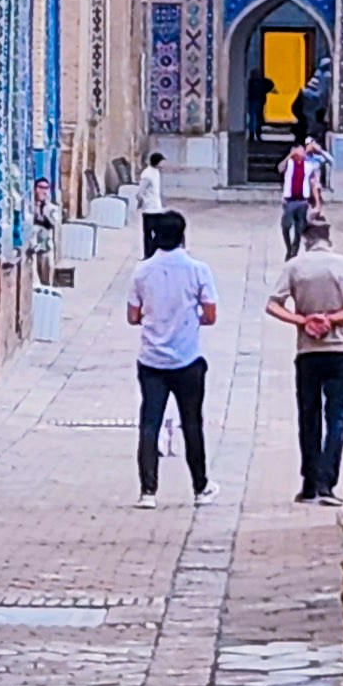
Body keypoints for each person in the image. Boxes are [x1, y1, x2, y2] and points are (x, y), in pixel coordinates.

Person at [266, 206, 343, 505]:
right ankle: (327, 482)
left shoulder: (295, 267)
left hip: (308, 351)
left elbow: (273, 304)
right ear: (329, 238)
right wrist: (333, 319)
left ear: (307, 239)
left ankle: (309, 484)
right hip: (341, 351)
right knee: (337, 417)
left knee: (308, 416)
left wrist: (305, 320)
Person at [127, 208, 216, 503]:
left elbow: (133, 315)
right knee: (192, 422)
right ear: (182, 235)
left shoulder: (142, 271)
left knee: (149, 422)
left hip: (152, 358)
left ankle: (148, 490)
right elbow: (210, 314)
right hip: (187, 358)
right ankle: (200, 486)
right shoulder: (198, 270)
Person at [279, 131, 327, 257]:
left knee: (299, 228)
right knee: (286, 225)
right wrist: (289, 156)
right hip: (289, 201)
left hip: (302, 201)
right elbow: (280, 168)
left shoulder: (308, 166)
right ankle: (288, 247)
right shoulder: (289, 164)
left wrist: (317, 203)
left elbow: (313, 184)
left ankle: (294, 251)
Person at [134, 148, 167, 256]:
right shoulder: (147, 174)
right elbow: (139, 193)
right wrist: (143, 202)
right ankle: (148, 254)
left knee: (158, 233)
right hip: (149, 209)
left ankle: (153, 252)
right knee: (148, 233)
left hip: (157, 208)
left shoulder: (156, 172)